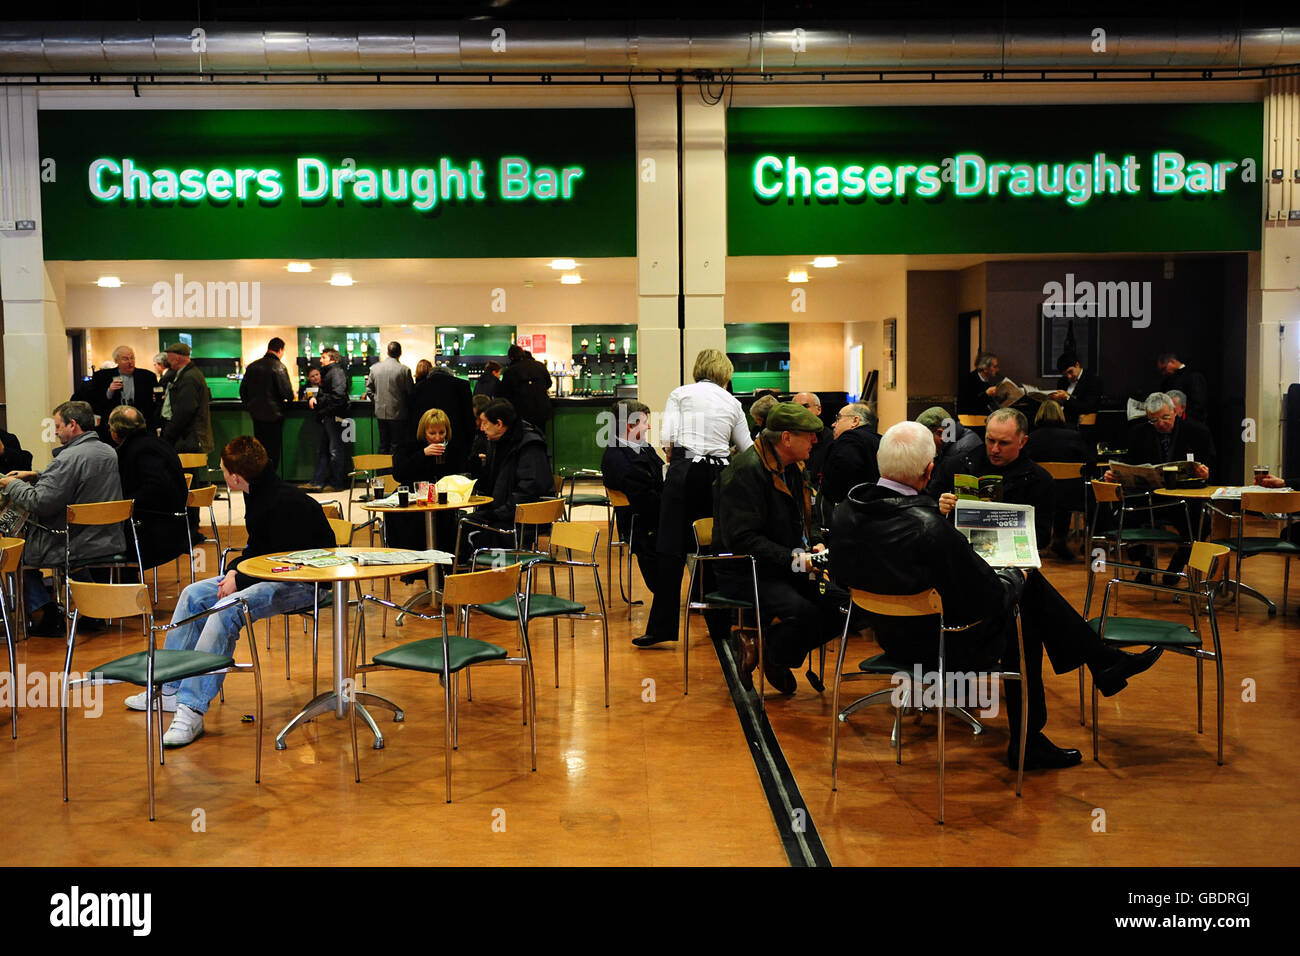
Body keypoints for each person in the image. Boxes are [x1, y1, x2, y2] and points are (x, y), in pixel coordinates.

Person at [831, 421, 1164, 770]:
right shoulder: (929, 528)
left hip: (887, 636)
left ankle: (1102, 664)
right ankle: (1035, 734)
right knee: (1023, 617)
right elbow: (989, 599)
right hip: (941, 644)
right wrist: (1014, 575)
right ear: (929, 471)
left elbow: (844, 577)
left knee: (1025, 601)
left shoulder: (846, 514)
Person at [121, 436, 334, 747]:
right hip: (268, 574)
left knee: (229, 607)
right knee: (193, 594)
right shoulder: (258, 491)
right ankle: (169, 688)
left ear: (235, 476)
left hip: (307, 583)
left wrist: (241, 579)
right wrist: (236, 570)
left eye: (222, 470)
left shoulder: (285, 503)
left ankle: (191, 708)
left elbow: (288, 563)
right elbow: (259, 548)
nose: (220, 474)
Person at [716, 402, 846, 694]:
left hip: (788, 566)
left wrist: (815, 543)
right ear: (786, 438)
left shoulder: (795, 468)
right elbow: (741, 538)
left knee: (847, 606)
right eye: (809, 435)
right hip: (747, 571)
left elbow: (808, 516)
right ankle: (773, 654)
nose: (816, 440)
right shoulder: (744, 472)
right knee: (805, 612)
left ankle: (766, 650)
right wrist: (796, 558)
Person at [637, 349, 752, 648]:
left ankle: (661, 628)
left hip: (686, 470)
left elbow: (668, 440)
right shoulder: (734, 402)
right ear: (726, 374)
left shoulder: (681, 394)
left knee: (670, 549)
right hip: (722, 476)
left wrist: (676, 465)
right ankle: (720, 626)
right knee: (716, 548)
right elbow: (747, 448)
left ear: (697, 369)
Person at [0, 401, 124, 637]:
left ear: (73, 425)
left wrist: (12, 483)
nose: (55, 431)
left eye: (58, 426)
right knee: (72, 555)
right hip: (106, 537)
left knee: (13, 553)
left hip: (72, 541)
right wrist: (37, 475)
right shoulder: (108, 452)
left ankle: (46, 611)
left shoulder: (68, 459)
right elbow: (76, 479)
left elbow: (40, 503)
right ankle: (93, 608)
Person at [1105, 392, 1215, 581]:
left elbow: (1210, 462)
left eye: (1165, 418)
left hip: (1184, 499)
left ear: (1175, 413)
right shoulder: (1139, 433)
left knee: (1202, 524)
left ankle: (1177, 564)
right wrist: (1116, 475)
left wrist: (1205, 472)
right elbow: (1130, 464)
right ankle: (1145, 563)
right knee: (1124, 515)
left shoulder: (1196, 431)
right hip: (1149, 496)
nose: (1160, 424)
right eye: (1153, 420)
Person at [933, 407, 1055, 549]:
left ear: (1022, 442)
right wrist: (939, 507)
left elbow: (1043, 536)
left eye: (1004, 443)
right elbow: (927, 511)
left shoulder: (1040, 480)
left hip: (1010, 555)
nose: (995, 449)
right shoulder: (955, 466)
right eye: (990, 440)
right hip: (962, 553)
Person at [109, 405, 189, 573]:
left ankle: (118, 591)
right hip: (175, 525)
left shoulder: (138, 450)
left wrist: (123, 505)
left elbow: (154, 490)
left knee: (97, 541)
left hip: (155, 531)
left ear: (116, 432)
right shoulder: (158, 444)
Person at [466, 399, 555, 549]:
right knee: (456, 525)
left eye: (485, 423)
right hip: (504, 514)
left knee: (463, 528)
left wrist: (496, 514)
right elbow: (489, 485)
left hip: (519, 522)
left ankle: (478, 570)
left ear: (499, 424)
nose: (481, 428)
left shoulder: (529, 446)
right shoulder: (498, 443)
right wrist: (475, 465)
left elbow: (528, 491)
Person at [600, 399, 664, 600]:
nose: (649, 426)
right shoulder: (619, 459)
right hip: (643, 528)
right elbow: (646, 501)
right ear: (629, 425)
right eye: (645, 422)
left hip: (652, 519)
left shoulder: (639, 446)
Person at [391, 407, 467, 551]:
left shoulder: (453, 448)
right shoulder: (409, 445)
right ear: (423, 432)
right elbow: (399, 473)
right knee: (412, 526)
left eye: (442, 433)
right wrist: (423, 454)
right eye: (432, 433)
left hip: (442, 501)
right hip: (414, 500)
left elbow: (458, 474)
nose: (438, 438)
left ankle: (440, 563)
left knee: (446, 524)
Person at [1025, 400, 1092, 561]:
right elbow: (1090, 463)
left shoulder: (1031, 438)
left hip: (1039, 495)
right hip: (1072, 496)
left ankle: (1042, 541)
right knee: (1067, 493)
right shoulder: (1074, 436)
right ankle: (1072, 541)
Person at [75, 345, 159, 440]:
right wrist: (110, 391)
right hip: (112, 426)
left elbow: (155, 400)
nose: (130, 362)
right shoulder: (102, 377)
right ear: (116, 361)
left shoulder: (148, 376)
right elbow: (96, 400)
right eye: (125, 359)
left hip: (141, 425)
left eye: (132, 358)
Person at [239, 337, 295, 476]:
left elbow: (242, 391)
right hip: (275, 416)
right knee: (273, 452)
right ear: (280, 350)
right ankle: (271, 479)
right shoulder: (279, 367)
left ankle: (261, 478)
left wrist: (250, 407)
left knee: (260, 451)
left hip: (257, 416)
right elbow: (287, 393)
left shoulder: (252, 366)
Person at [817, 402, 880, 514]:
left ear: (855, 421)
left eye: (838, 418)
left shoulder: (850, 438)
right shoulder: (880, 440)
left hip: (851, 513)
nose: (833, 424)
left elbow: (838, 480)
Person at [411, 360, 475, 457]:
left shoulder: (418, 387)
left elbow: (413, 418)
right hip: (457, 442)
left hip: (427, 444)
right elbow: (469, 419)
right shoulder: (463, 385)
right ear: (451, 374)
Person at [308, 348, 351, 492]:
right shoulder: (332, 372)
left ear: (333, 359)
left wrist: (322, 404)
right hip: (331, 415)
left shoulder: (335, 372)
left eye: (324, 357)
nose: (321, 360)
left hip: (333, 415)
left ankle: (336, 483)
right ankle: (319, 481)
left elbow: (338, 397)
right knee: (326, 450)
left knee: (334, 450)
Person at [159, 342, 213, 456]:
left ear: (177, 358)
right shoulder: (189, 374)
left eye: (169, 357)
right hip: (189, 437)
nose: (167, 361)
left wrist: (169, 432)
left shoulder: (189, 377)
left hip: (189, 439)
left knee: (188, 472)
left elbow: (185, 410)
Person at [917, 406, 982, 497]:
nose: (925, 444)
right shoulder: (949, 443)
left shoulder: (962, 450)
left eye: (926, 439)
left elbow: (938, 490)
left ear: (940, 433)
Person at [365, 341, 415, 455]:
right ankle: (394, 471)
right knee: (396, 445)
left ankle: (382, 471)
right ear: (400, 353)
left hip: (380, 412)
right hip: (399, 413)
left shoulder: (374, 368)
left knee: (383, 444)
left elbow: (368, 390)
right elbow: (410, 392)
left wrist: (377, 400)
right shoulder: (404, 370)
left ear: (387, 352)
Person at [500, 345, 554, 434]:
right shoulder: (540, 366)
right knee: (541, 436)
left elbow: (504, 393)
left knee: (524, 439)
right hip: (541, 410)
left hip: (521, 412)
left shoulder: (510, 371)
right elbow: (549, 383)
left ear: (511, 357)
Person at [793, 391, 835, 489]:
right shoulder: (788, 439)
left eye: (805, 406)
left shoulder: (830, 438)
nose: (800, 411)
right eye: (796, 408)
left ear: (819, 409)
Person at [1048, 352, 1103, 426]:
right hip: (1060, 421)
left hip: (1079, 424)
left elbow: (1088, 407)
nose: (1069, 377)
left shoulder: (1092, 380)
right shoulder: (1062, 381)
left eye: (1070, 372)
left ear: (1077, 365)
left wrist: (1066, 397)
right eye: (1065, 374)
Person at [1157, 352, 1208, 422]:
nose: (1163, 373)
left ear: (1172, 361)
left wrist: (1182, 419)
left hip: (1189, 423)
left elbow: (1198, 405)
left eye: (1164, 368)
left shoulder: (1193, 375)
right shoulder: (1168, 381)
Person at [957, 352, 1001, 417]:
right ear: (985, 369)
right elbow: (970, 405)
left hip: (984, 418)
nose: (997, 369)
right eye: (995, 367)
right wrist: (986, 394)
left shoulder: (990, 380)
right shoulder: (968, 380)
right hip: (970, 420)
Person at [466, 394, 492, 481]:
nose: (479, 424)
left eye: (483, 421)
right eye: (475, 419)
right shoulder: (469, 433)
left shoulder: (492, 436)